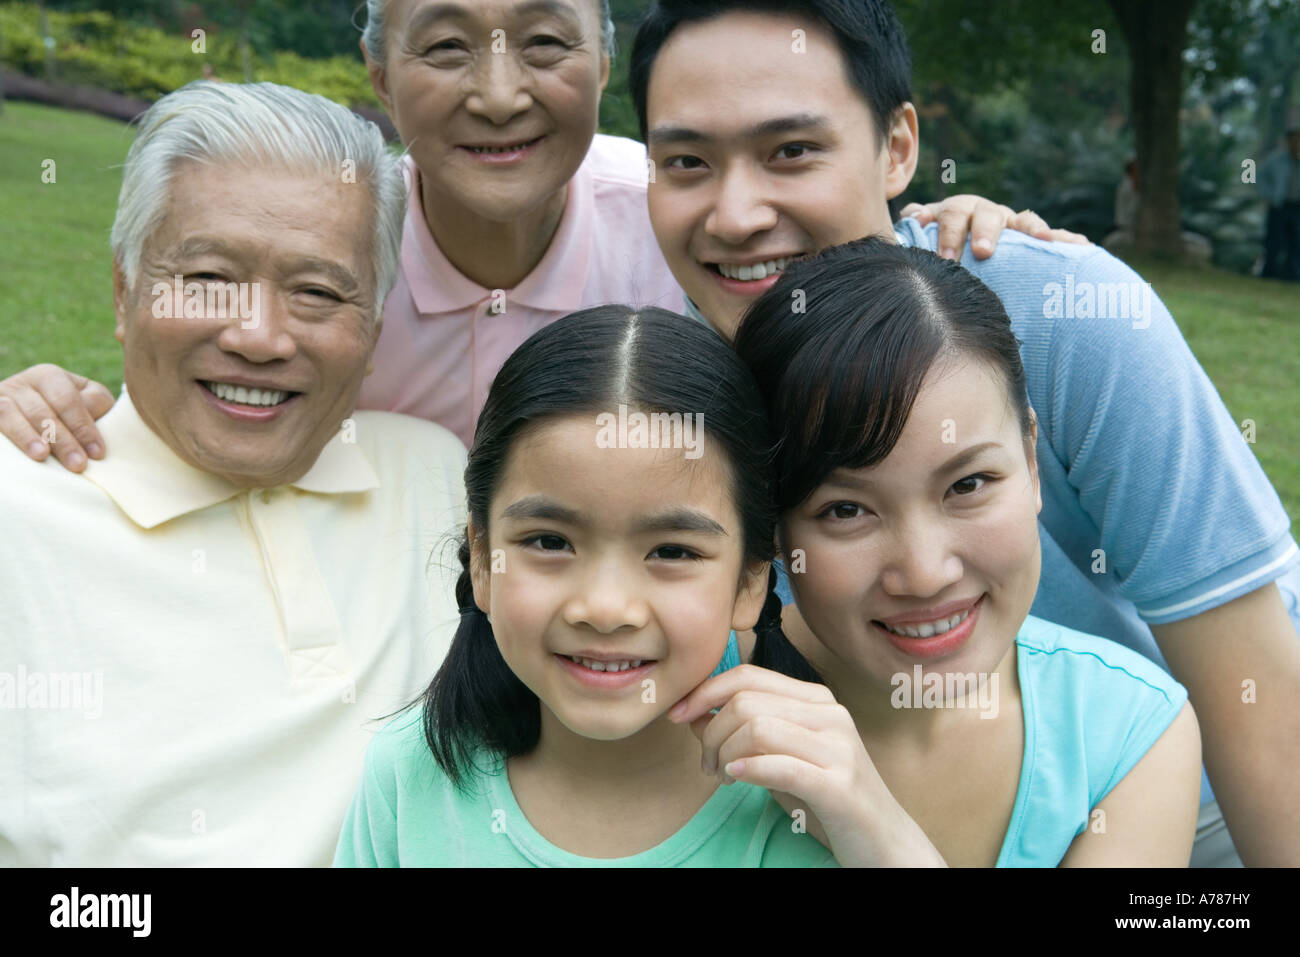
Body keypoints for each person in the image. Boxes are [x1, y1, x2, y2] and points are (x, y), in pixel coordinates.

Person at [628, 0, 1300, 866]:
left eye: (792, 151)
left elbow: (1260, 701)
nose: (735, 213)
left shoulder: (1061, 315)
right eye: (686, 162)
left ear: (898, 146)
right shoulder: (678, 388)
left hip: (1161, 808)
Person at [0, 0, 1074, 465]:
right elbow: (206, 359)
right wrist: (51, 403)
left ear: (606, 67)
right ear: (381, 77)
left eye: (549, 42)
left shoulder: (686, 221)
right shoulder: (327, 239)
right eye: (447, 48)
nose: (500, 95)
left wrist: (931, 226)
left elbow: (842, 276)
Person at [0, 80, 467, 866]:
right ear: (124, 292)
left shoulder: (435, 476)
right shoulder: (19, 507)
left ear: (375, 328)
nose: (259, 336)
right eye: (209, 277)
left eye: (318, 291)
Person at [671, 239, 1202, 866]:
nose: (924, 575)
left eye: (967, 485)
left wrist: (874, 826)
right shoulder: (678, 703)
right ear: (772, 527)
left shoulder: (1128, 729)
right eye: (846, 510)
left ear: (1031, 462)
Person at [334, 306, 834, 867]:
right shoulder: (408, 776)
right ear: (481, 559)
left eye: (672, 551)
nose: (604, 608)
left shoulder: (811, 802)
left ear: (751, 580)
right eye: (549, 543)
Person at [1259, 127, 1300, 281]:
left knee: (1296, 243)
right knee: (1273, 241)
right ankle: (1268, 273)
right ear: (1288, 141)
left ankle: (1293, 277)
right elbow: (1260, 177)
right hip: (1279, 206)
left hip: (1297, 208)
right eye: (1295, 140)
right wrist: (1268, 196)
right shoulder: (1275, 160)